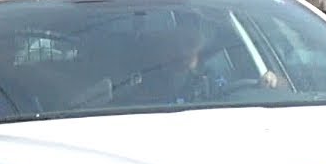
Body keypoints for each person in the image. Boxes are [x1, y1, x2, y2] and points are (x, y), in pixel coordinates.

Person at [116, 18, 281, 106]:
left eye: (190, 44)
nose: (183, 52)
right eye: (175, 45)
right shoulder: (142, 81)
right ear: (163, 50)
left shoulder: (212, 79)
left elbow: (239, 95)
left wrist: (270, 82)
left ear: (200, 48)